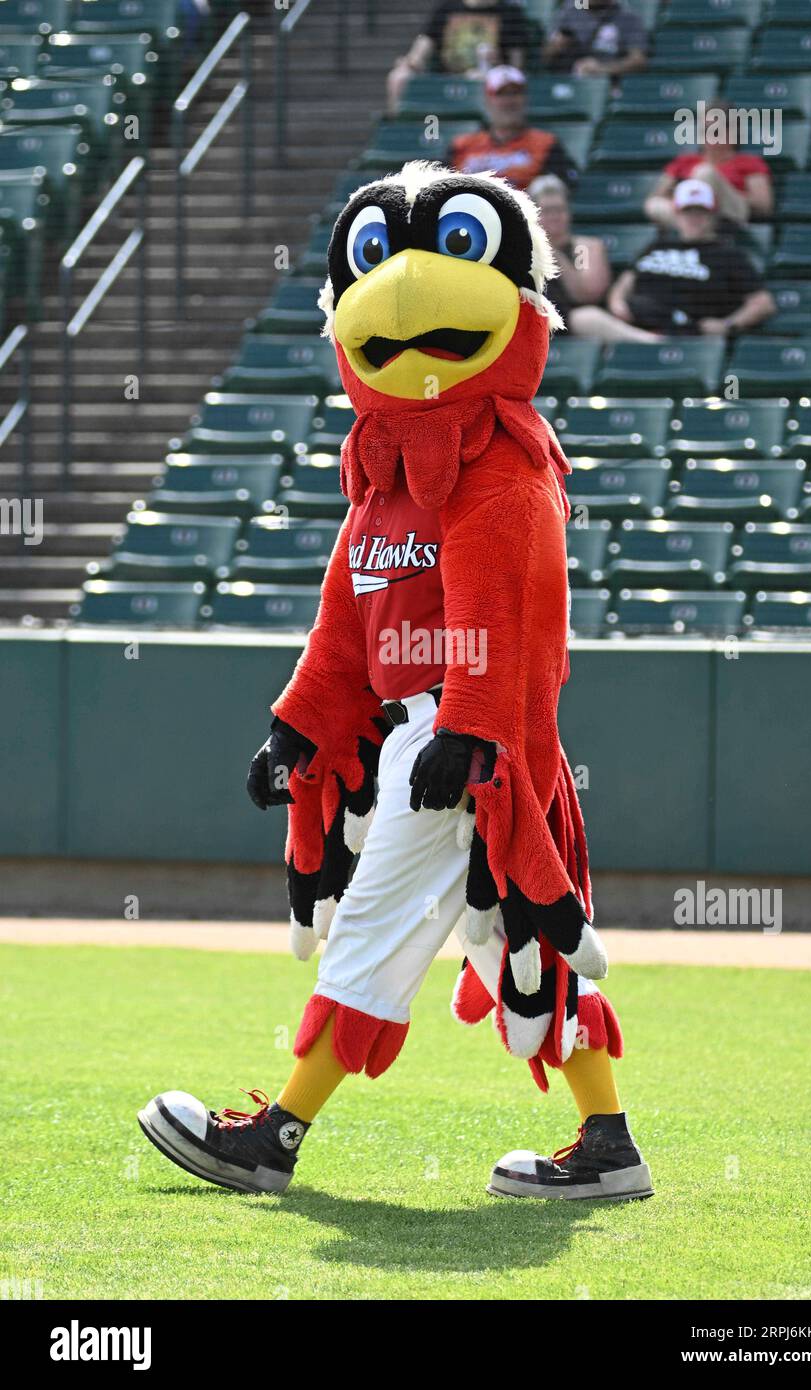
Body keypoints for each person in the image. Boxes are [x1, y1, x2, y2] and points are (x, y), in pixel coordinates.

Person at [138, 163, 653, 1207]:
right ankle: (607, 1143)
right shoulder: (380, 477)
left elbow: (495, 621)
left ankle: (273, 1138)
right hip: (427, 737)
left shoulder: (500, 466)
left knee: (373, 930)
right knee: (516, 942)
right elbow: (342, 626)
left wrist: (466, 733)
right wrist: (297, 727)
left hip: (468, 745)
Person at [570, 178, 775, 342]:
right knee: (581, 318)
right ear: (677, 215)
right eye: (688, 212)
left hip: (685, 333)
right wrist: (617, 303)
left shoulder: (728, 254)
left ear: (713, 216)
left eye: (700, 213)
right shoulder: (658, 245)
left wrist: (728, 325)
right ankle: (648, 342)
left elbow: (763, 303)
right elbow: (626, 281)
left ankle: (652, 344)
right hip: (633, 324)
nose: (694, 219)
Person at [387, 0, 530, 116]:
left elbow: (516, 67)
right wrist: (409, 63)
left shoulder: (510, 13)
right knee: (399, 76)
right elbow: (421, 49)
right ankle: (399, 130)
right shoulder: (446, 8)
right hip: (444, 79)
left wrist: (497, 64)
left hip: (488, 81)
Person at [448, 67, 579, 193]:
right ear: (487, 102)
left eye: (515, 93)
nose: (509, 101)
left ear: (525, 100)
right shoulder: (462, 146)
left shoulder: (546, 144)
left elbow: (566, 186)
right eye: (501, 94)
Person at [645, 101, 774, 228]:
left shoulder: (749, 162)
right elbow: (659, 195)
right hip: (688, 215)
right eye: (706, 130)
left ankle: (700, 225)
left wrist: (720, 194)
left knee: (705, 173)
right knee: (654, 204)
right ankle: (695, 227)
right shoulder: (684, 161)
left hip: (729, 216)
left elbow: (763, 205)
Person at [528, 173, 611, 324]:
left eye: (559, 209)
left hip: (575, 319)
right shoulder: (525, 249)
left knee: (590, 317)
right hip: (533, 319)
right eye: (547, 211)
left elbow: (587, 293)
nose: (554, 216)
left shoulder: (584, 248)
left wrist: (553, 252)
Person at [543, 0, 647, 78]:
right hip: (568, 80)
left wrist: (601, 69)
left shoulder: (627, 16)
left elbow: (638, 61)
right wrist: (556, 47)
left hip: (609, 84)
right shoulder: (570, 10)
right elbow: (545, 56)